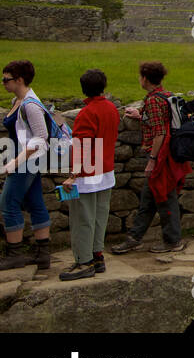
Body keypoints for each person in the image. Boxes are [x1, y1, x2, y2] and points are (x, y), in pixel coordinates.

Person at [114, 61, 191, 253]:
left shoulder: (154, 100)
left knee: (165, 197)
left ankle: (172, 240)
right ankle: (135, 237)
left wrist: (152, 160)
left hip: (162, 158)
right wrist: (141, 115)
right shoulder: (166, 96)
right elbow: (163, 121)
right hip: (169, 156)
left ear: (146, 79)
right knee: (150, 198)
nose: (139, 79)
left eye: (141, 76)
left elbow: (161, 133)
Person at [59, 69, 120, 280]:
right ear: (103, 86)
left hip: (86, 175)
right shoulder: (112, 108)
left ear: (83, 88)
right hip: (105, 172)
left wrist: (72, 176)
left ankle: (83, 262)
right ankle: (97, 256)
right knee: (99, 217)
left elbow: (81, 146)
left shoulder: (87, 113)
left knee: (82, 219)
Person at [0, 60, 52, 271]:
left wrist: (15, 162)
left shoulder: (30, 104)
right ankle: (43, 254)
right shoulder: (18, 100)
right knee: (34, 202)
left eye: (6, 80)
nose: (3, 83)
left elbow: (41, 137)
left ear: (19, 80)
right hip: (27, 159)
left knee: (8, 202)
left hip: (26, 161)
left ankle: (15, 254)